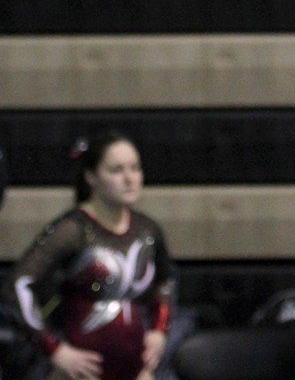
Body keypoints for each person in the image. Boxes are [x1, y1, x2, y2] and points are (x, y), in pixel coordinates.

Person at [9, 130, 174, 380]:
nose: (130, 178)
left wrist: (159, 330)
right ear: (91, 177)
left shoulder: (147, 230)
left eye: (135, 168)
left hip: (136, 372)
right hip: (81, 374)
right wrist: (54, 348)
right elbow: (18, 285)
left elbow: (166, 280)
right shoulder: (72, 230)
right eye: (117, 170)